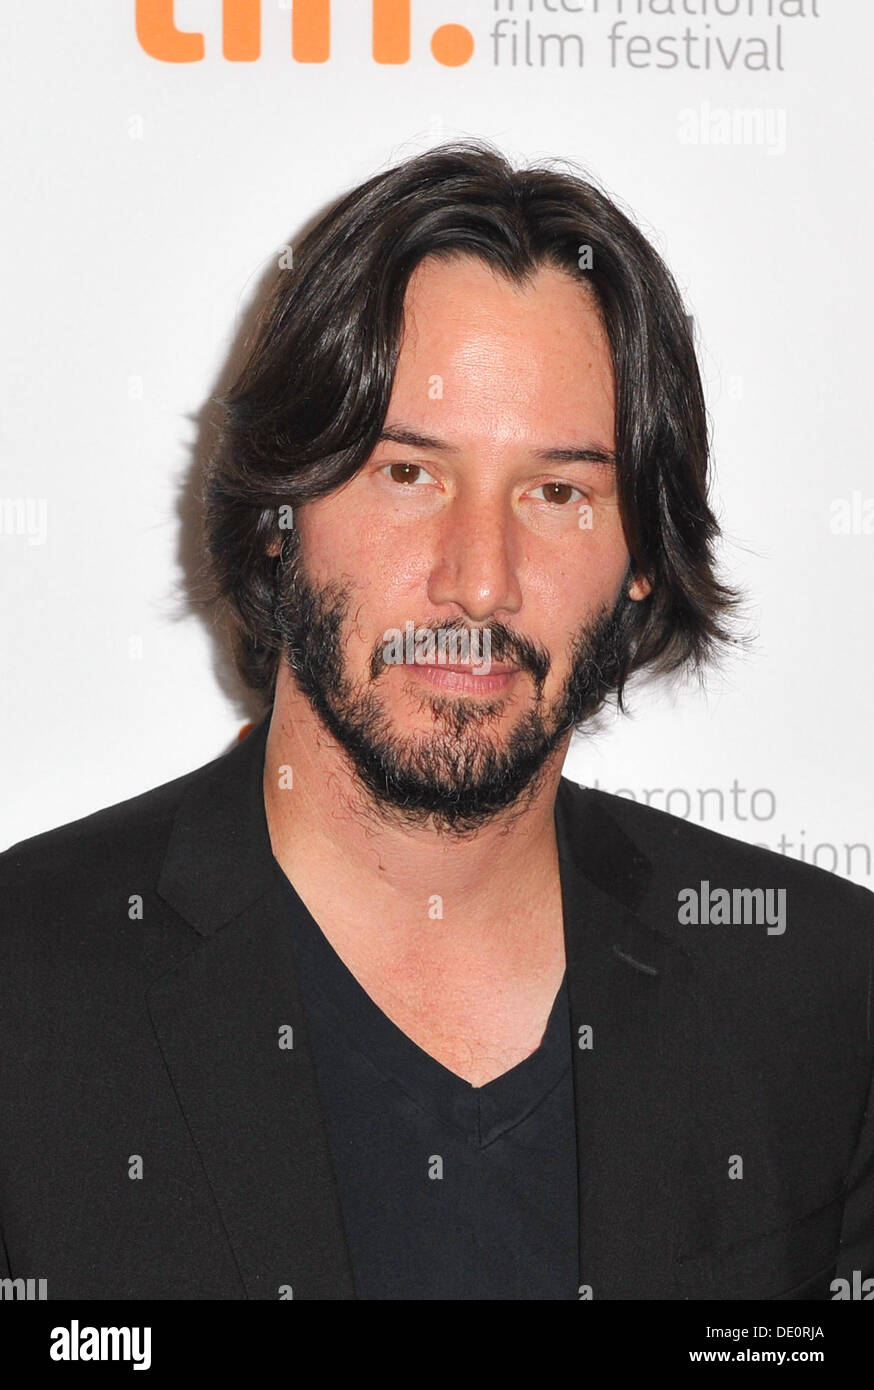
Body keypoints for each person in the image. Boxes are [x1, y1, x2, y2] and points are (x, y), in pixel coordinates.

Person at [1, 142, 871, 1301]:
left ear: (639, 568)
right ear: (280, 513)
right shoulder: (30, 990)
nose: (479, 579)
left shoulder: (820, 992)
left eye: (556, 492)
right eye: (407, 474)